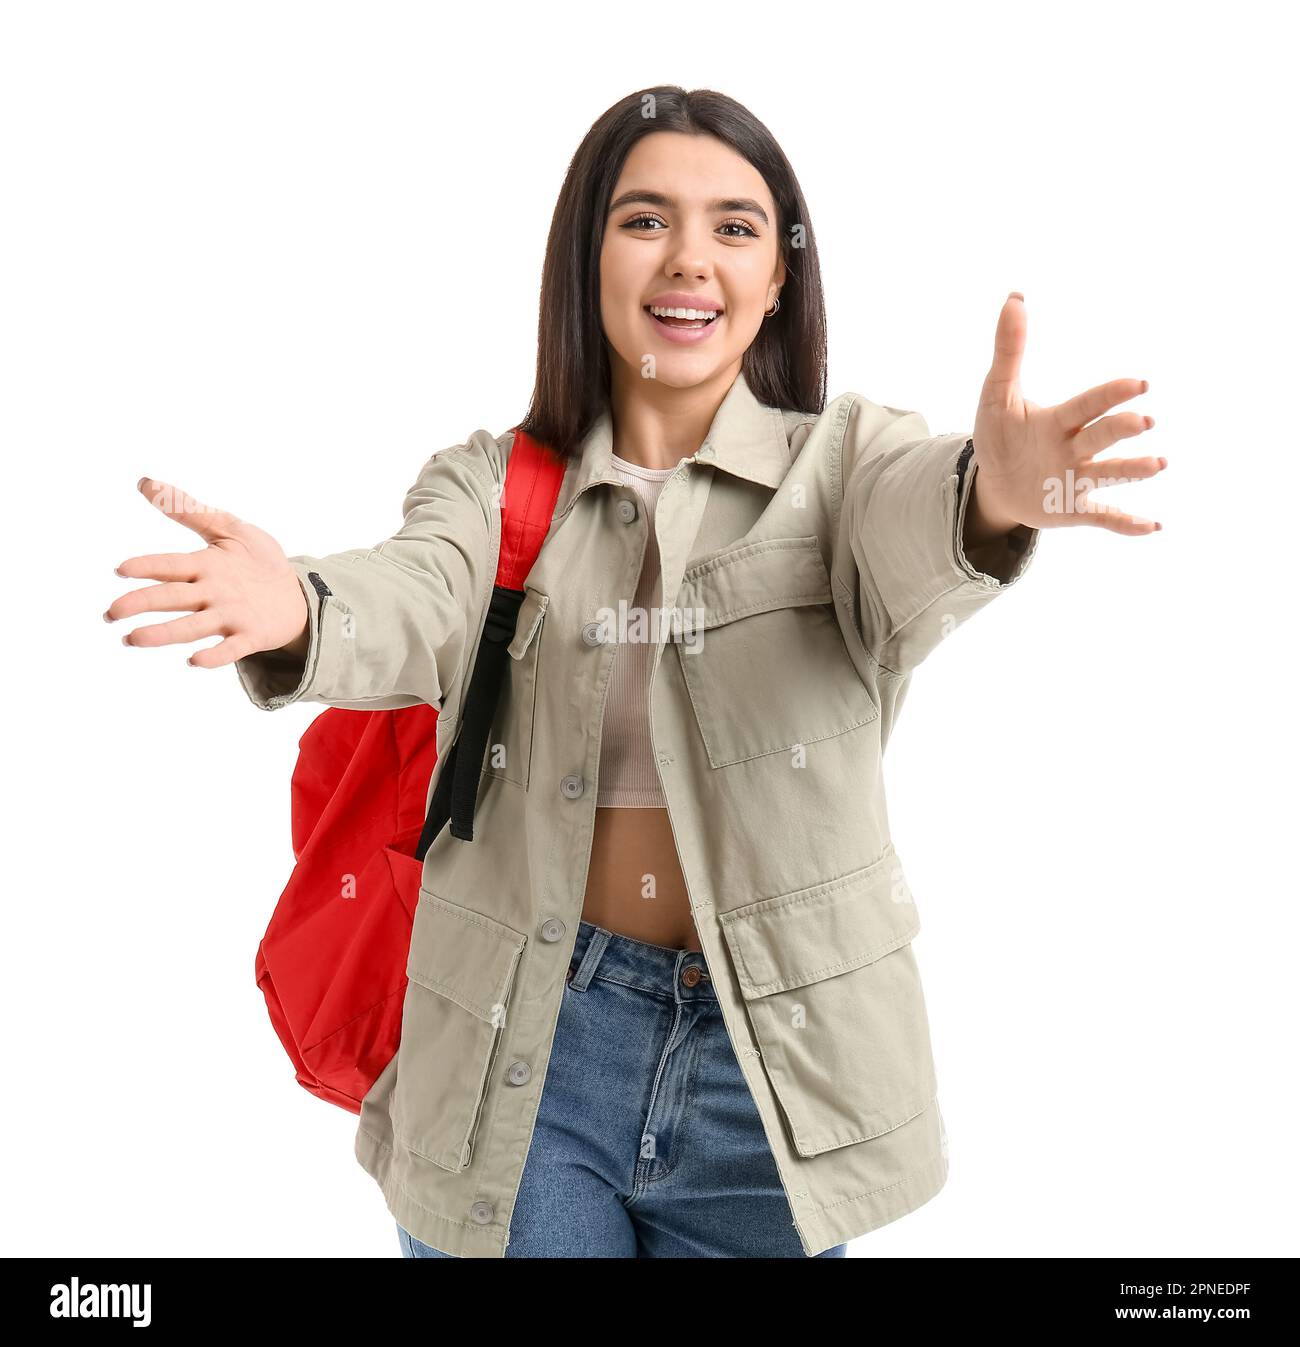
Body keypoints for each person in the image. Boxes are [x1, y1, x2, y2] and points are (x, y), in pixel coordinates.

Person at [106, 86, 1165, 1258]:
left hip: (771, 1067)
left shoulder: (851, 463)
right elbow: (414, 588)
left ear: (777, 278)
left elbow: (924, 516)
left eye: (735, 227)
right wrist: (299, 607)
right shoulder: (490, 483)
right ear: (588, 257)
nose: (690, 260)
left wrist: (994, 495)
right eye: (646, 220)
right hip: (527, 1043)